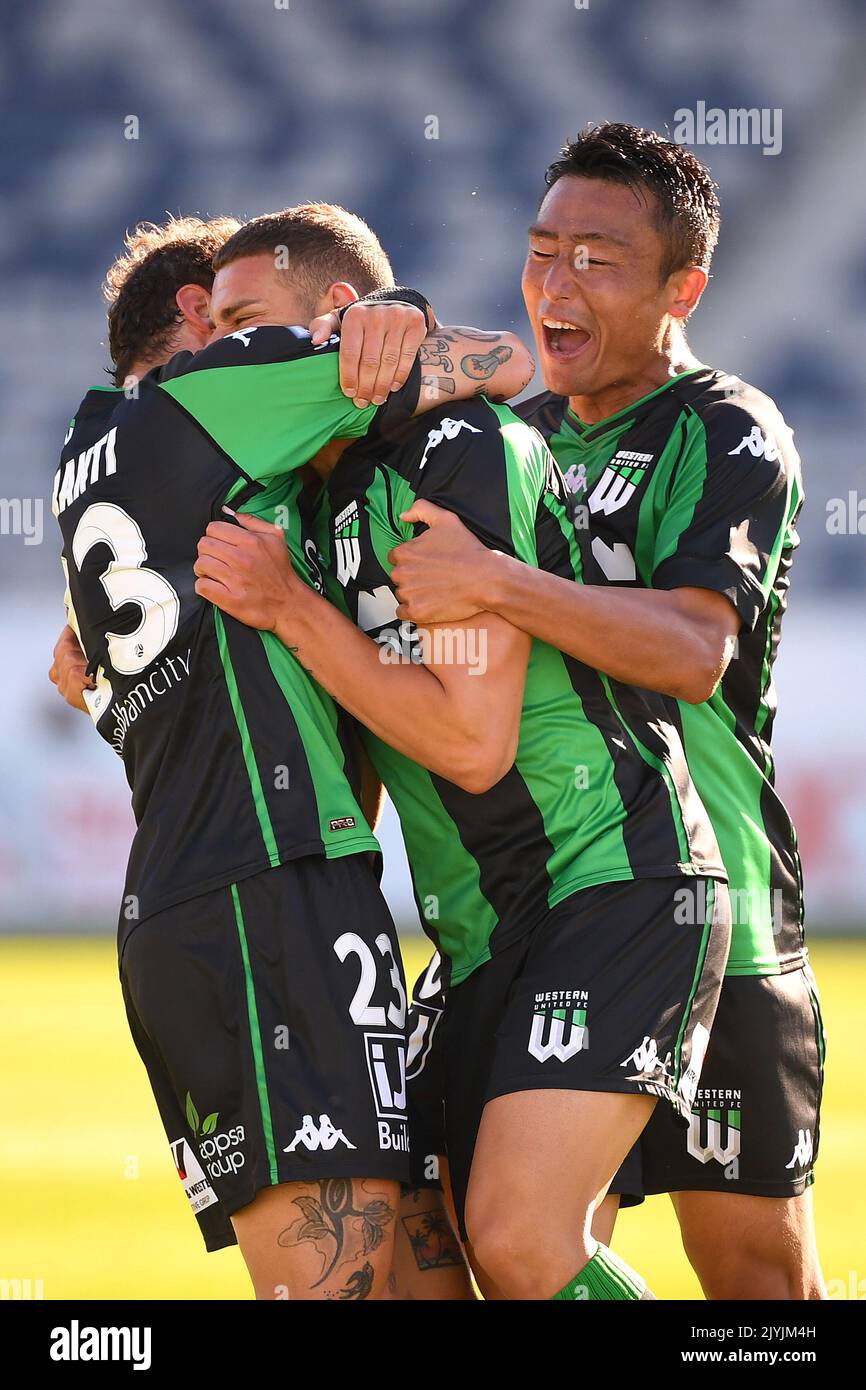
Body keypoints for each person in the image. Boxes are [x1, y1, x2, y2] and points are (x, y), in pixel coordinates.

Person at [192, 238, 733, 1300]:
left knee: (524, 1240)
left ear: (335, 323)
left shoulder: (453, 444)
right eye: (207, 327)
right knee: (418, 1254)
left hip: (608, 879)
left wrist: (292, 610)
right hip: (478, 930)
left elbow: (471, 745)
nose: (221, 347)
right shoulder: (302, 506)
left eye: (242, 317)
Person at [50, 204, 531, 1300]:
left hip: (197, 901)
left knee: (425, 1279)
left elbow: (92, 661)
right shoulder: (228, 389)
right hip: (268, 896)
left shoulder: (84, 461)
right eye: (231, 318)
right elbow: (498, 362)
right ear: (195, 318)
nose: (247, 336)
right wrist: (391, 319)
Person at [385, 124, 826, 1300]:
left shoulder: (724, 429)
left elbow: (690, 647)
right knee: (512, 1246)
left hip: (708, 897)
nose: (553, 284)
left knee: (751, 1278)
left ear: (682, 286)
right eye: (540, 253)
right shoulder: (503, 444)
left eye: (596, 258)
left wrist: (499, 582)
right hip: (539, 903)